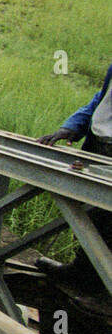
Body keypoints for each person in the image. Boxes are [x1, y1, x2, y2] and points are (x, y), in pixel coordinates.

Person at [35, 60, 112, 292]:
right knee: (94, 214)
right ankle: (83, 271)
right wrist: (71, 128)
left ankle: (100, 283)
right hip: (101, 147)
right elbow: (102, 99)